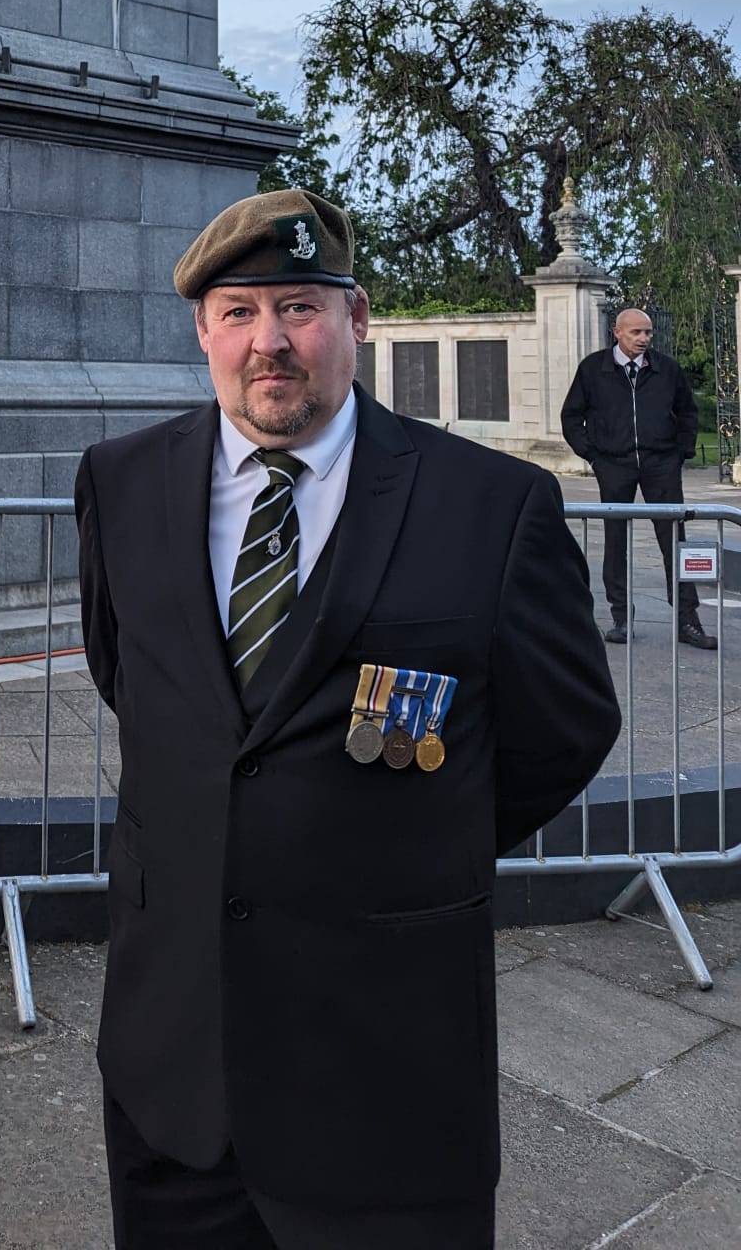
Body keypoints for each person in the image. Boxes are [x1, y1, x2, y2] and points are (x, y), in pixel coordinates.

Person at [77, 188, 620, 1250]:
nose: (269, 342)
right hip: (173, 1072)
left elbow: (564, 731)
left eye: (300, 308)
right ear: (202, 331)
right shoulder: (121, 484)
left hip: (388, 1075)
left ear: (358, 317)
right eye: (238, 313)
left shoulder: (491, 507)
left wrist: (397, 838)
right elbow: (140, 688)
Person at [561, 307, 713, 648]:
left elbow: (688, 411)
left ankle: (688, 620)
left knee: (675, 538)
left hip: (661, 463)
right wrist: (594, 456)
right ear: (618, 333)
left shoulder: (666, 369)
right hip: (614, 464)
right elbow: (572, 416)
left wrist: (681, 453)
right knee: (616, 539)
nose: (644, 338)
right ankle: (620, 618)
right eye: (637, 333)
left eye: (648, 332)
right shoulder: (593, 369)